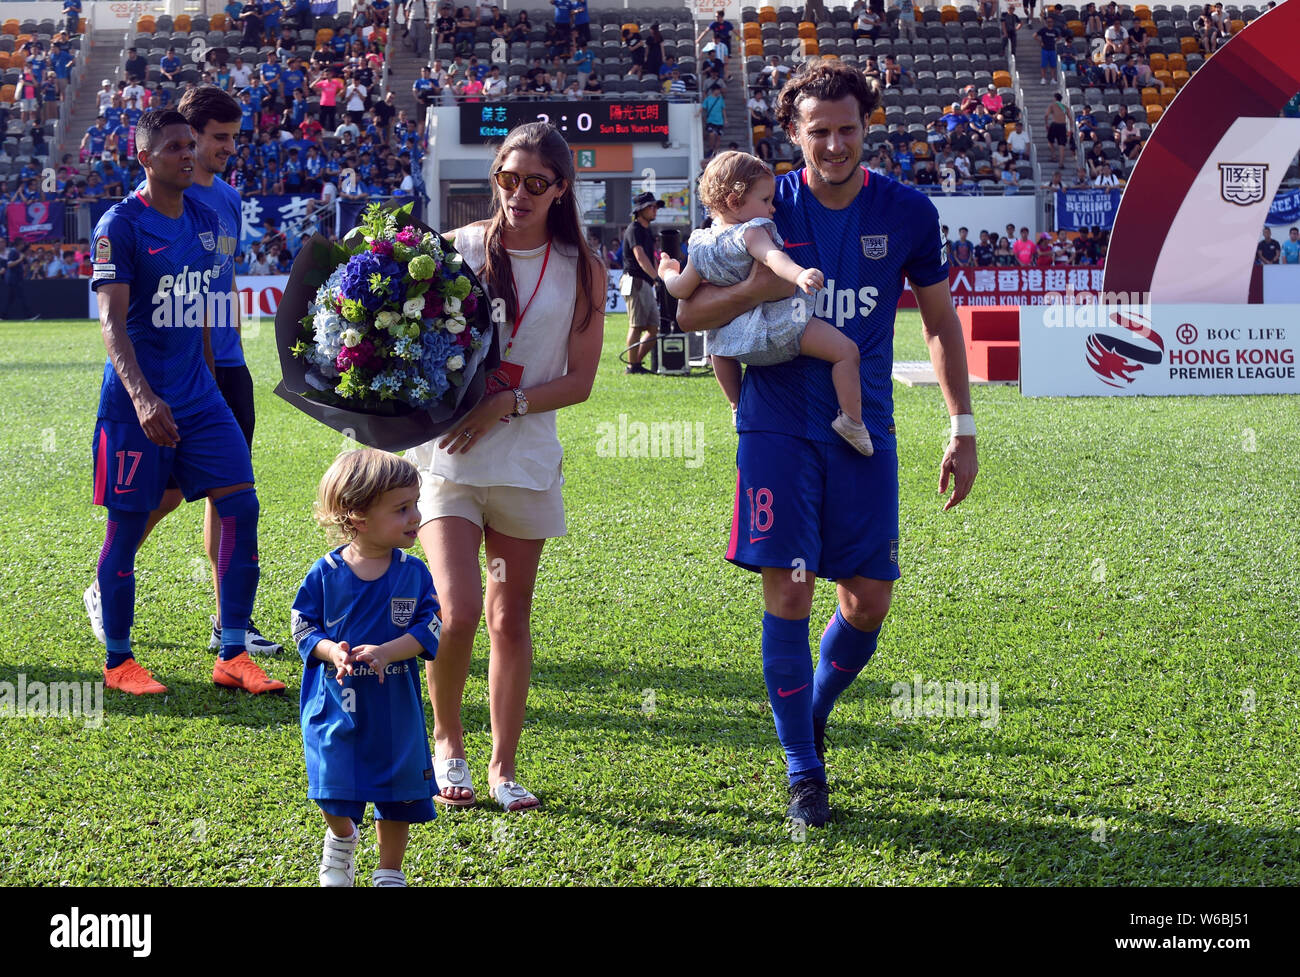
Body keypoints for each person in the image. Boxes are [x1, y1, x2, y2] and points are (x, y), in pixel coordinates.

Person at [674, 61, 978, 828]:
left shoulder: (908, 211)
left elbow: (941, 325)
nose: (835, 144)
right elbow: (689, 315)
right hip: (776, 424)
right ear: (794, 134)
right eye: (819, 132)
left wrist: (962, 424)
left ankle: (807, 712)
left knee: (868, 598)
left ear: (866, 127)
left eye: (847, 129)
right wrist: (761, 287)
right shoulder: (759, 204)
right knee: (790, 590)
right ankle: (804, 772)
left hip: (860, 427)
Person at [405, 122, 604, 811]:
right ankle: (448, 741)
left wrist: (507, 402)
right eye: (506, 179)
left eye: (534, 183)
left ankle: (502, 764)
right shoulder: (452, 250)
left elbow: (580, 380)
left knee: (508, 617)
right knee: (458, 610)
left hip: (523, 463)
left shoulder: (582, 266)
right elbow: (413, 349)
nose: (517, 193)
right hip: (448, 462)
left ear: (561, 189)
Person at [85, 109, 276, 696]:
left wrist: (214, 389)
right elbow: (112, 324)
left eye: (190, 145)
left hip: (201, 398)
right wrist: (144, 398)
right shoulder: (118, 226)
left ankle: (233, 652)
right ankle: (119, 662)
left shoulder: (202, 218)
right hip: (135, 405)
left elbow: (201, 313)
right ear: (144, 158)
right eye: (173, 147)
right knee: (127, 528)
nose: (187, 155)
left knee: (241, 508)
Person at [294, 449, 442, 888]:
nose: (416, 515)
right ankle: (341, 841)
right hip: (335, 705)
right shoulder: (326, 573)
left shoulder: (413, 573)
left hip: (394, 710)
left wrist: (387, 651)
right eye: (401, 508)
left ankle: (389, 871)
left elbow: (430, 626)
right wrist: (330, 652)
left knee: (397, 795)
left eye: (416, 503)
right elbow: (303, 625)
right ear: (357, 516)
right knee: (331, 785)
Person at [661, 152, 874, 454]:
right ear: (735, 201)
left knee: (717, 351)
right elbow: (774, 258)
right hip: (777, 329)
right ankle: (852, 420)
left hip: (732, 341)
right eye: (765, 200)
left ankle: (736, 405)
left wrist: (667, 273)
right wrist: (800, 274)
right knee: (846, 352)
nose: (773, 207)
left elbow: (681, 290)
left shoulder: (700, 245)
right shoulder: (752, 231)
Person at [622, 190, 661, 373]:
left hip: (646, 282)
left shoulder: (648, 230)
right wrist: (655, 276)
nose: (655, 210)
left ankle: (636, 363)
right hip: (635, 281)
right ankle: (632, 366)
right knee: (636, 325)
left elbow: (651, 256)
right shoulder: (634, 229)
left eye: (655, 207)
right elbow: (640, 256)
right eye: (651, 207)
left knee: (654, 328)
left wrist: (655, 277)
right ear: (640, 210)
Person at [1044, 92, 1070, 167]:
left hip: (1055, 124)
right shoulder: (1064, 107)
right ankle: (1061, 162)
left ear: (1055, 98)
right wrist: (1070, 129)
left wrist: (1046, 124)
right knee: (1062, 144)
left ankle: (1054, 155)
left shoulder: (1052, 106)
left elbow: (1046, 115)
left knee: (1050, 140)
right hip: (1063, 125)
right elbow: (1070, 119)